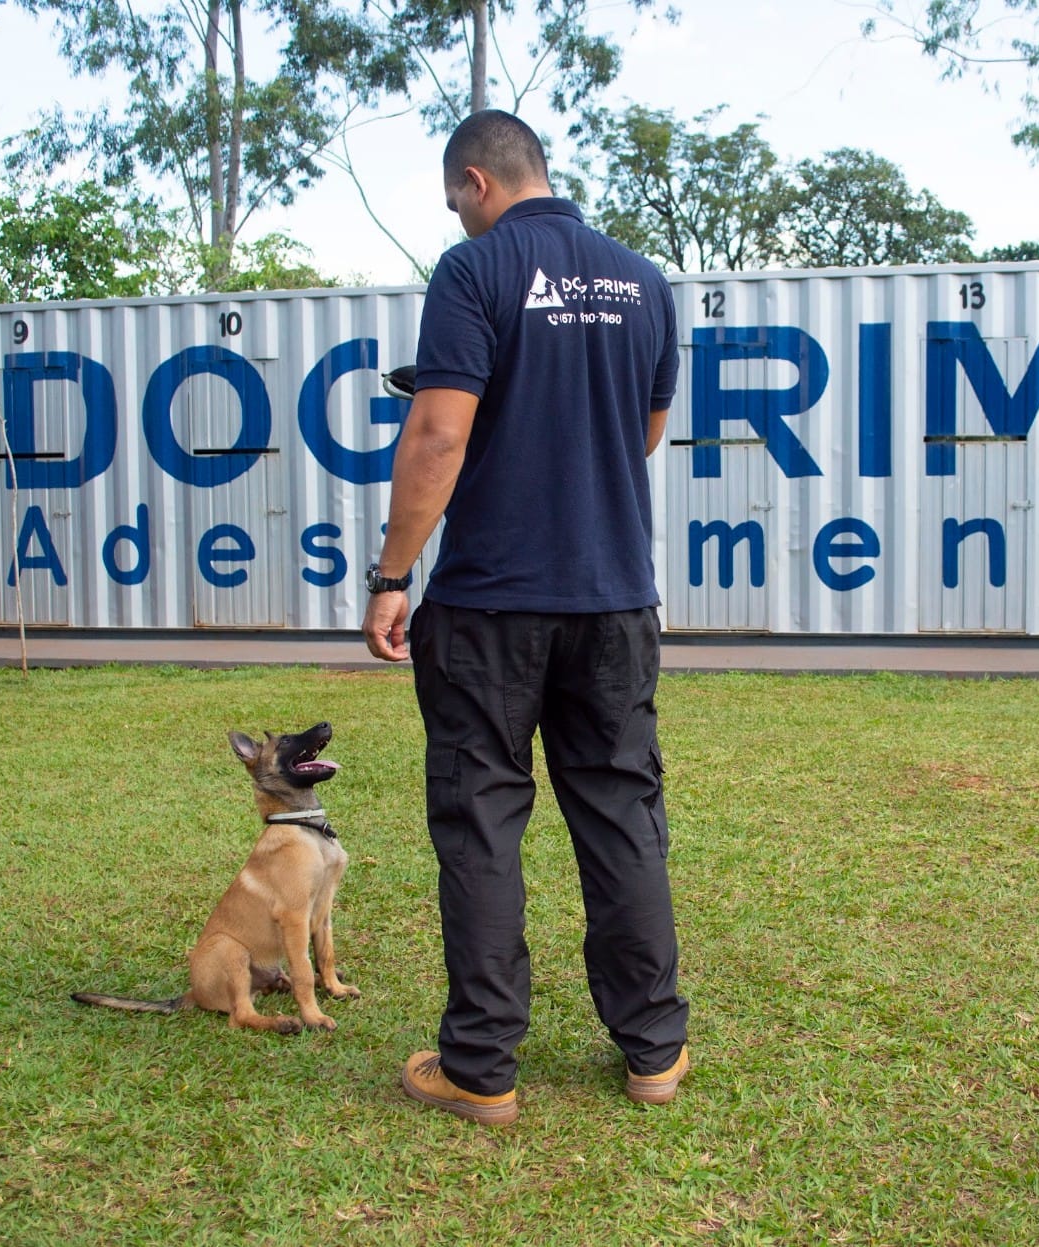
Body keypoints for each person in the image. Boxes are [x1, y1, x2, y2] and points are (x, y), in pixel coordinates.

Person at [361, 109, 689, 1125]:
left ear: (477, 182)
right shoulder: (643, 281)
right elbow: (643, 430)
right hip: (612, 597)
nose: (457, 213)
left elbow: (437, 432)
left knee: (482, 821)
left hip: (491, 602)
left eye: (454, 197)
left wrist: (390, 573)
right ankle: (653, 1052)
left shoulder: (476, 272)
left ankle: (482, 1069)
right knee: (621, 813)